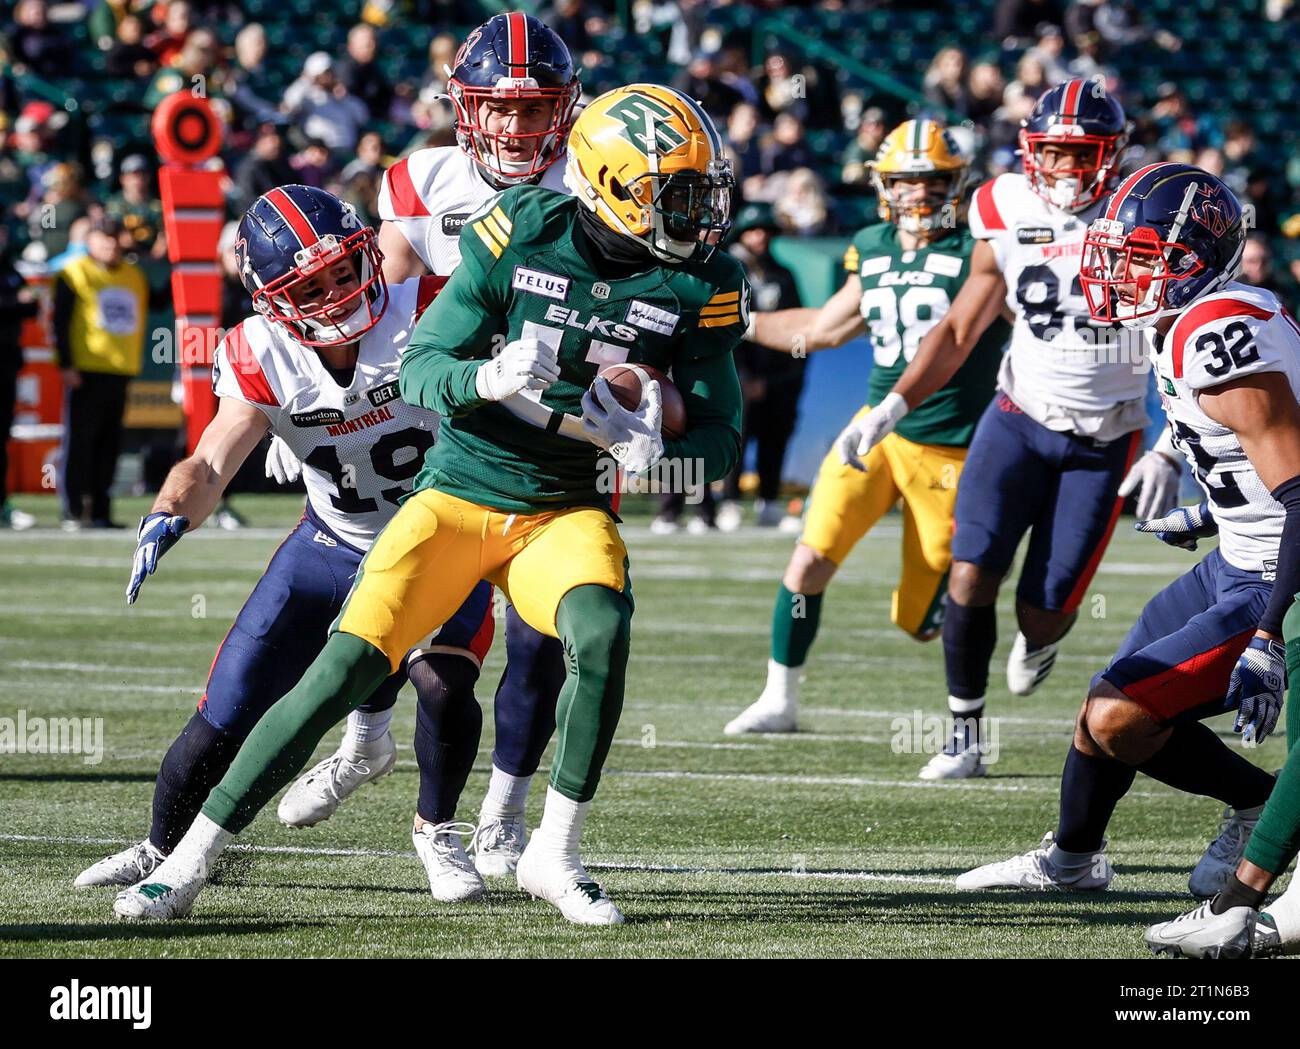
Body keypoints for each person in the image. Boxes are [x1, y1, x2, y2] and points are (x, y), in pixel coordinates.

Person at [110, 83, 746, 927]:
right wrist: (485, 377)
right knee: (339, 672)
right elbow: (425, 368)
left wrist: (660, 452)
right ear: (613, 181)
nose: (700, 213)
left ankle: (550, 852)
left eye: (703, 190)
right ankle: (185, 862)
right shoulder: (517, 228)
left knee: (597, 631)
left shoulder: (705, 281)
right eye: (679, 192)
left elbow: (722, 441)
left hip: (565, 505)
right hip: (458, 489)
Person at [74, 186, 495, 907]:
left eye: (342, 271)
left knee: (444, 683)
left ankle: (438, 830)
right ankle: (161, 843)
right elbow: (208, 462)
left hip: (440, 544)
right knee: (224, 712)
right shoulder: (259, 350)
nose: (336, 294)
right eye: (311, 285)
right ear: (273, 298)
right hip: (330, 544)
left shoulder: (427, 305)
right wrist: (170, 511)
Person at [282, 12, 583, 885]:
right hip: (455, 431)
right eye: (497, 108)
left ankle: (505, 813)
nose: (517, 128)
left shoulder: (597, 177)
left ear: (566, 111)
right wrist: (309, 410)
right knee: (395, 603)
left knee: (540, 636)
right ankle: (363, 740)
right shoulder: (421, 180)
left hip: (560, 432)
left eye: (536, 111)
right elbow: (373, 303)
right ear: (464, 107)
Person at [830, 80, 1183, 780]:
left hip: (1105, 437)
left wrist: (1172, 441)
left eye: (1081, 154)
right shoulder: (1004, 203)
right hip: (1018, 416)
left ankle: (1041, 637)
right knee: (968, 572)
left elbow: (1176, 330)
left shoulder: (1146, 209)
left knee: (1043, 610)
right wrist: (892, 406)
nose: (1065, 170)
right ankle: (964, 732)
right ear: (1031, 151)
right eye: (1052, 153)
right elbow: (963, 322)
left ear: (1112, 154)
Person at [964, 164, 1296, 905]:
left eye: (1137, 256)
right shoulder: (1196, 319)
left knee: (1121, 713)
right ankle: (1073, 860)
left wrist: (1270, 634)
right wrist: (1213, 509)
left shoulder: (1220, 335)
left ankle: (1265, 812)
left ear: (1191, 262)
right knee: (1105, 702)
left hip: (1277, 572)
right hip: (1238, 554)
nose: (1115, 271)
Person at [723, 121, 1006, 737]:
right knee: (809, 561)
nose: (917, 196)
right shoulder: (873, 244)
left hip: (951, 445)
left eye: (931, 182)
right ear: (884, 186)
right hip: (872, 433)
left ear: (956, 184)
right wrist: (736, 321)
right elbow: (824, 328)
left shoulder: (979, 252)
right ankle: (780, 696)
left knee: (925, 609)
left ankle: (960, 690)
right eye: (904, 183)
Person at [53, 214, 147, 529]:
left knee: (109, 444)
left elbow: (162, 299)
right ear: (89, 240)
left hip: (119, 369)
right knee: (80, 442)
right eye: (101, 236)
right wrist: (66, 364)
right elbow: (60, 322)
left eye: (113, 236)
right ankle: (73, 509)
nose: (108, 243)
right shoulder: (74, 273)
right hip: (86, 369)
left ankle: (102, 510)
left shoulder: (133, 276)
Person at [715, 201, 805, 531]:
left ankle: (769, 500)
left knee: (775, 436)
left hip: (776, 377)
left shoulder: (783, 275)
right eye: (753, 230)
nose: (760, 237)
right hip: (736, 371)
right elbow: (720, 327)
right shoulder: (727, 271)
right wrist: (742, 375)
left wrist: (784, 376)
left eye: (765, 231)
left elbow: (797, 328)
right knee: (735, 438)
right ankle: (730, 502)